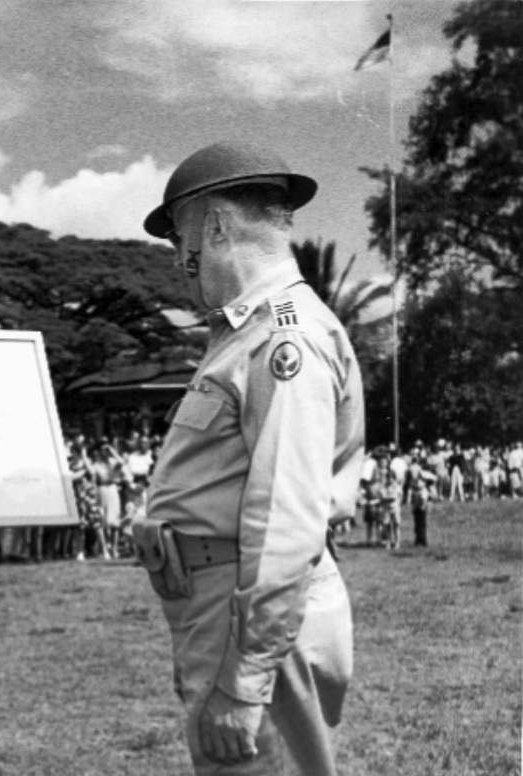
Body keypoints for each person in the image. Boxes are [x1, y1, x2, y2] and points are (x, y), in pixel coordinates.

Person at [134, 142, 362, 775]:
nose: (182, 260)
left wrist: (245, 679)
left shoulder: (281, 338)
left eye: (180, 237)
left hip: (252, 619)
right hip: (235, 610)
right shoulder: (248, 332)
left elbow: (287, 519)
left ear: (214, 226)